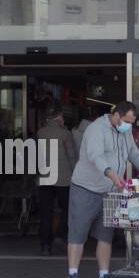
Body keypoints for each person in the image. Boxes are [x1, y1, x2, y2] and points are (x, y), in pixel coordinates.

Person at [66, 101, 139, 278]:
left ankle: (104, 276)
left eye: (132, 122)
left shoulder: (125, 132)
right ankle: (73, 276)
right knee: (78, 234)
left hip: (110, 191)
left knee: (105, 235)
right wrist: (113, 175)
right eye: (126, 121)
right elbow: (95, 156)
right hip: (86, 188)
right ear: (116, 115)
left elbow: (133, 152)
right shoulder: (96, 129)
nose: (129, 125)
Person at [35, 105, 77, 256]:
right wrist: (76, 174)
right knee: (68, 207)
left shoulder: (40, 132)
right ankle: (60, 234)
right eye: (62, 117)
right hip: (63, 178)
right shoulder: (65, 134)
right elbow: (71, 156)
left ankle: (45, 245)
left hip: (45, 178)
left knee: (46, 212)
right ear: (58, 119)